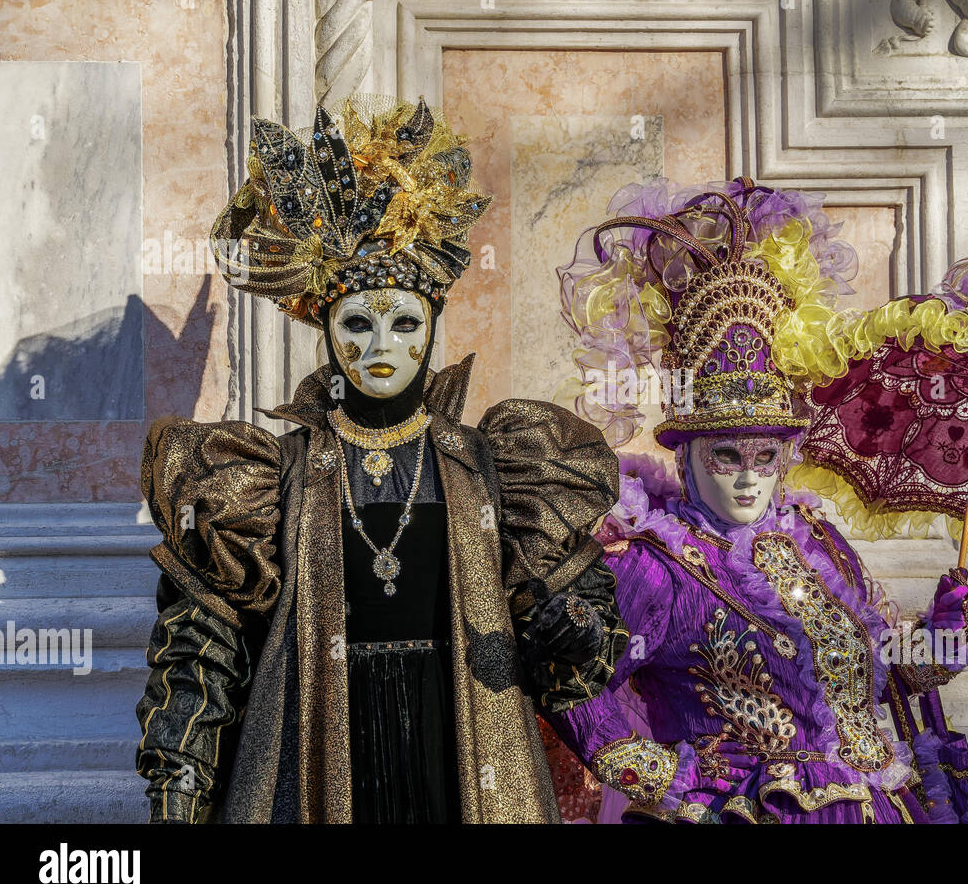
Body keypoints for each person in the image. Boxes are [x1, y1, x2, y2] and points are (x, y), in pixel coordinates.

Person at [134, 95, 625, 823]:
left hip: (463, 758)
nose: (380, 347)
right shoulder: (272, 476)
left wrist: (572, 635)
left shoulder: (498, 466)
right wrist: (178, 788)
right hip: (316, 757)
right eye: (358, 324)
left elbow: (576, 649)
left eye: (404, 323)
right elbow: (205, 644)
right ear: (328, 333)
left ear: (431, 328)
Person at [546, 177, 968, 822]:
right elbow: (571, 682)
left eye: (765, 457)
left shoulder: (817, 543)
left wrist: (940, 639)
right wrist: (680, 781)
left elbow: (874, 675)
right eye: (726, 456)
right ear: (685, 453)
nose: (747, 478)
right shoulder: (655, 566)